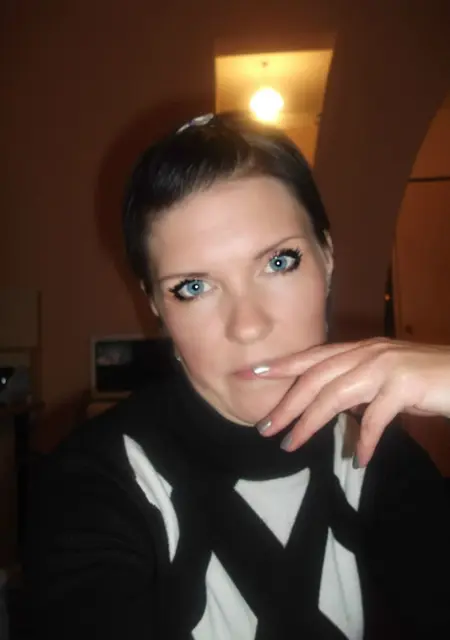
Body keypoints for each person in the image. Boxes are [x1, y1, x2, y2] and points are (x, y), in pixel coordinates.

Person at [24, 112, 450, 639]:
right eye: (194, 287)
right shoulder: (92, 488)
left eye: (278, 262)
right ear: (155, 305)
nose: (247, 326)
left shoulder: (385, 460)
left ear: (328, 256)